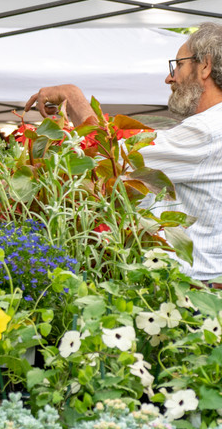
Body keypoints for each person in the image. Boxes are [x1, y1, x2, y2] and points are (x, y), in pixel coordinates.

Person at [25, 22, 222, 282]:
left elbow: (113, 156)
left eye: (179, 64)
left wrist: (73, 98)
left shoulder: (208, 130)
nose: (170, 77)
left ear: (205, 66)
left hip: (196, 286)